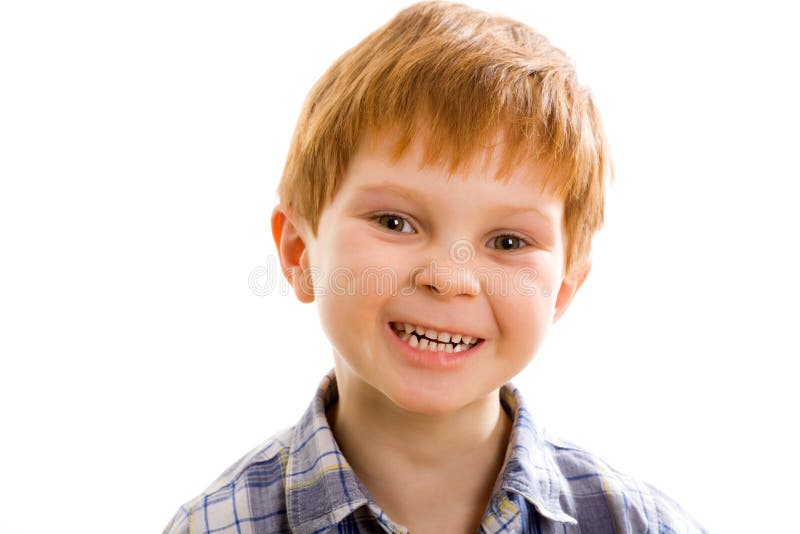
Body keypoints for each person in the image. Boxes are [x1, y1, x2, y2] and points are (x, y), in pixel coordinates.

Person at [163, 1, 706, 532]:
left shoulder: (637, 524)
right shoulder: (214, 526)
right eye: (396, 222)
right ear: (300, 253)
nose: (449, 278)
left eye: (510, 240)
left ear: (562, 290)